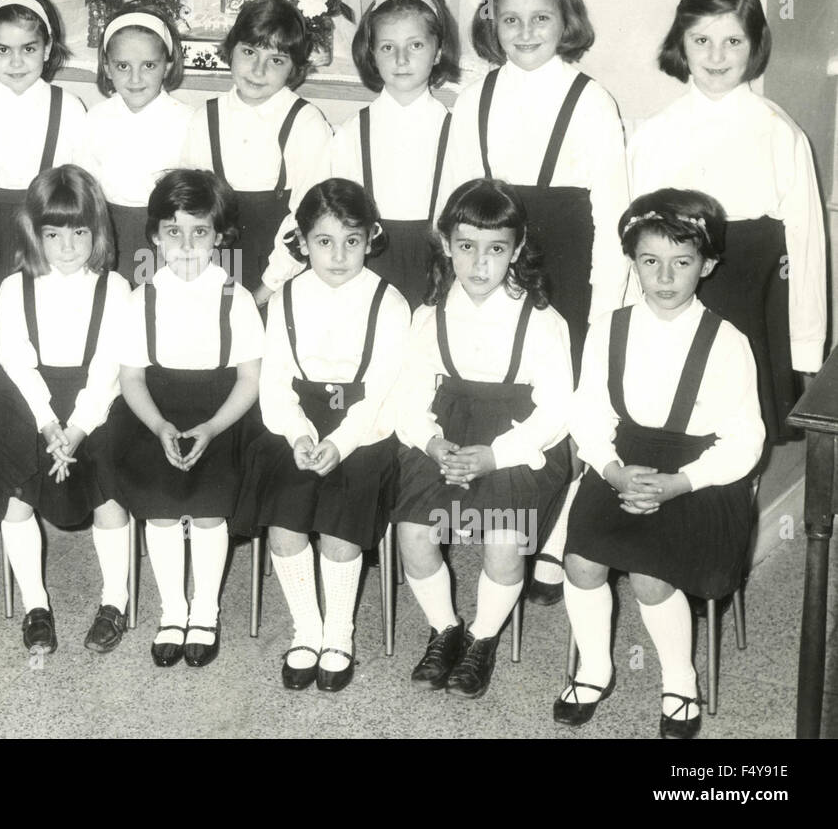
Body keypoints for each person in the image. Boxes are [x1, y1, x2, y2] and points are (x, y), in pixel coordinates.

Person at [438, 0, 630, 604]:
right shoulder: (474, 99)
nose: (524, 31)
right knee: (515, 392)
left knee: (573, 397)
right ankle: (516, 518)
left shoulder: (592, 101)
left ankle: (560, 529)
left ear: (565, 18)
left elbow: (613, 215)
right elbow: (454, 203)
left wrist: (606, 307)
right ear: (492, 21)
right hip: (495, 270)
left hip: (572, 269)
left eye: (540, 17)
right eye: (511, 18)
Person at [557, 190, 763, 739]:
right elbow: (589, 411)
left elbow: (745, 441)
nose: (665, 276)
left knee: (650, 573)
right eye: (651, 261)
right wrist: (611, 468)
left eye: (682, 262)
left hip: (700, 477)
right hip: (623, 463)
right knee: (579, 561)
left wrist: (679, 483)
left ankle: (678, 677)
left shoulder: (727, 342)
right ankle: (596, 668)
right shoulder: (610, 328)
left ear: (708, 265)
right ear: (634, 264)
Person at [393, 179, 574, 699]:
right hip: (446, 436)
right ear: (446, 244)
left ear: (516, 251)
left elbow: (557, 411)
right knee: (415, 533)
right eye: (466, 247)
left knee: (501, 541)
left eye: (495, 250)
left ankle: (483, 636)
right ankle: (445, 626)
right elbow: (408, 395)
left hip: (518, 441)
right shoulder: (430, 314)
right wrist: (430, 443)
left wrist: (497, 456)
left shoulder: (541, 320)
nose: (478, 264)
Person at [628, 0, 825, 444]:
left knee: (741, 435)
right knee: (675, 428)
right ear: (682, 42)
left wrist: (805, 348)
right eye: (702, 40)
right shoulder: (655, 136)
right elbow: (633, 246)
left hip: (752, 305)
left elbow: (805, 245)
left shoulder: (779, 132)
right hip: (672, 301)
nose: (716, 57)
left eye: (733, 40)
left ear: (755, 44)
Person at [233, 179, 408, 691]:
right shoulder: (285, 298)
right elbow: (275, 381)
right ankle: (306, 627)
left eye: (352, 241)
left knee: (337, 529)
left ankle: (339, 631)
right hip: (295, 424)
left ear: (371, 238)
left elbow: (379, 394)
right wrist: (298, 434)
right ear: (302, 242)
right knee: (286, 525)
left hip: (363, 430)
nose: (337, 255)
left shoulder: (390, 304)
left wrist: (341, 442)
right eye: (324, 241)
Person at [110, 169, 264, 667]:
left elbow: (249, 379)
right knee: (158, 508)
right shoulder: (141, 298)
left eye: (201, 232)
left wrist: (214, 428)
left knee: (207, 511)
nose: (187, 244)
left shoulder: (236, 299)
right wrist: (158, 427)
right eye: (173, 232)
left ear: (219, 237)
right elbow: (132, 378)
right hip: (157, 416)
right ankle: (172, 608)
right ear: (155, 236)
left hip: (221, 417)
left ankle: (205, 610)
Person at [0, 165, 133, 653]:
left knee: (110, 492)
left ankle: (116, 599)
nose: (67, 246)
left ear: (98, 232)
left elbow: (110, 366)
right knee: (15, 495)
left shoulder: (114, 288)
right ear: (35, 233)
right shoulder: (13, 287)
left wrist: (79, 428)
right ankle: (35, 604)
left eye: (79, 233)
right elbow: (15, 360)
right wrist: (49, 424)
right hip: (31, 403)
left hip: (97, 404)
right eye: (53, 234)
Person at [180, 0, 332, 300]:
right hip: (215, 270)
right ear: (230, 50)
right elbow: (188, 213)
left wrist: (265, 291)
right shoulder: (205, 119)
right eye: (249, 52)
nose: (258, 69)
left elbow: (308, 220)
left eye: (276, 60)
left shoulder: (306, 123)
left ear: (294, 68)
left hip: (283, 273)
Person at [331, 0, 460, 309]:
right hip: (370, 268)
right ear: (372, 54)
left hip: (437, 269)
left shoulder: (457, 131)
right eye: (388, 47)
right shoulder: (350, 134)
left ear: (438, 51)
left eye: (415, 45)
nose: (401, 59)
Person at [0, 0, 86, 285]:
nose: (16, 62)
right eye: (2, 50)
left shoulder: (69, 108)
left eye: (28, 49)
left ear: (47, 49)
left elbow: (79, 188)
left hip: (49, 233)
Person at [75, 6, 192, 283]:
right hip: (108, 233)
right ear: (107, 67)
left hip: (165, 237)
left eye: (148, 66)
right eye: (123, 66)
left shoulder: (186, 120)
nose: (135, 78)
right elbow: (85, 185)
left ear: (168, 66)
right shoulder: (97, 118)